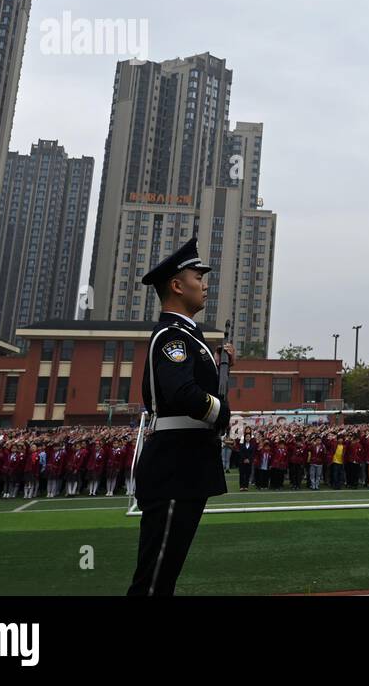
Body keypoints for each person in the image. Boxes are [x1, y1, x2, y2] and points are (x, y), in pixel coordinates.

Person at [127, 236, 233, 597]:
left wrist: (217, 366)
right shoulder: (172, 335)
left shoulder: (188, 335)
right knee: (154, 580)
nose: (204, 284)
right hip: (176, 463)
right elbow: (181, 393)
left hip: (186, 461)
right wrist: (221, 412)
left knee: (164, 575)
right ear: (176, 285)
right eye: (196, 276)